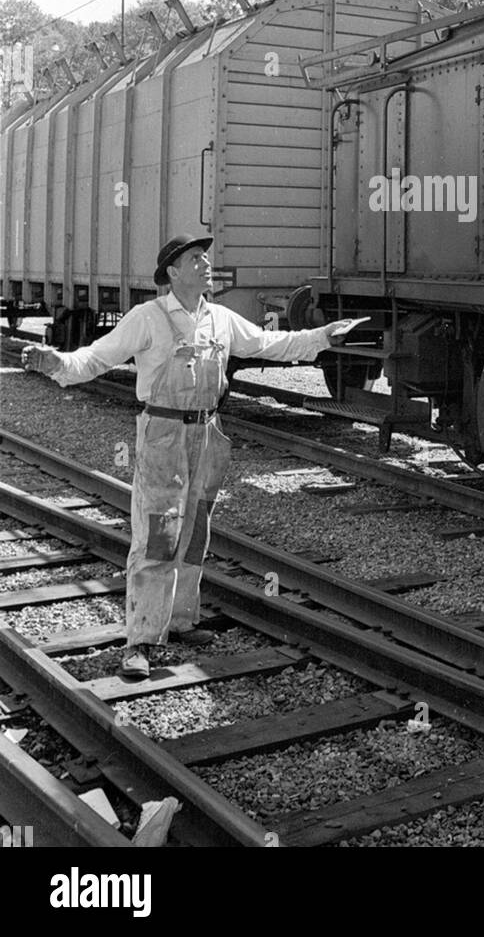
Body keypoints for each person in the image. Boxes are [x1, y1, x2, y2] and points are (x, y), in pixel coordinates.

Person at [21, 233, 367, 680]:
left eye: (205, 257)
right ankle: (141, 640)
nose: (206, 264)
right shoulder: (146, 318)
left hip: (207, 434)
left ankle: (181, 621)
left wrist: (322, 335)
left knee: (196, 531)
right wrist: (57, 363)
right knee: (158, 535)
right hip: (163, 436)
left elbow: (269, 344)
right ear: (172, 272)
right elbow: (96, 358)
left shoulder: (220, 319)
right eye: (195, 259)